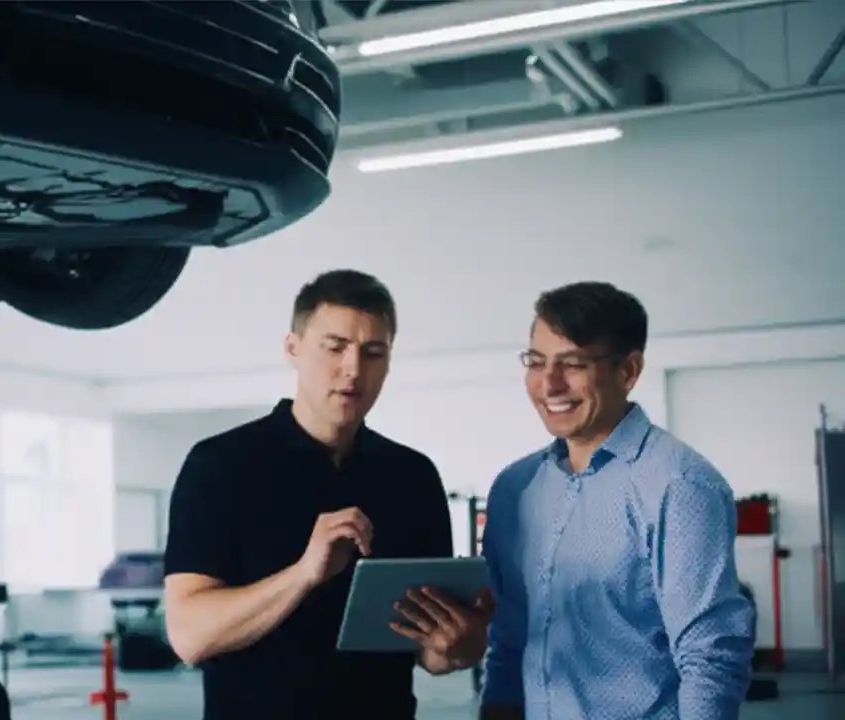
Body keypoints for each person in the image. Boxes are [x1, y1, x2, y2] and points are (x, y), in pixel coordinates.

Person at [162, 269, 492, 720]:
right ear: (293, 349)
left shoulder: (412, 475)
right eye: (334, 347)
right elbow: (190, 637)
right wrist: (303, 574)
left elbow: (428, 655)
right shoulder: (220, 465)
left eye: (373, 352)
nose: (354, 369)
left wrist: (462, 646)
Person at [479, 281, 756, 720]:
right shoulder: (515, 488)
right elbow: (509, 642)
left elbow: (711, 659)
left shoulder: (679, 485)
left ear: (628, 371)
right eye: (536, 361)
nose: (548, 384)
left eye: (572, 364)